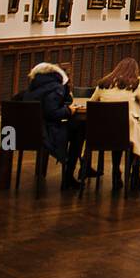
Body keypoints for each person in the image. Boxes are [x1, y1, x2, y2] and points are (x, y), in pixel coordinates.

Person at [89, 57, 140, 187]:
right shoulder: (135, 85)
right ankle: (134, 174)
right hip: (126, 131)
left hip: (104, 131)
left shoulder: (103, 84)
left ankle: (116, 170)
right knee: (135, 133)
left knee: (118, 136)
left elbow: (92, 102)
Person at [21, 61, 86, 190]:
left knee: (76, 128)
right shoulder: (56, 87)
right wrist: (69, 111)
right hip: (45, 134)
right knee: (79, 129)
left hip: (26, 134)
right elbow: (52, 113)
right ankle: (69, 175)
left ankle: (79, 168)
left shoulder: (33, 88)